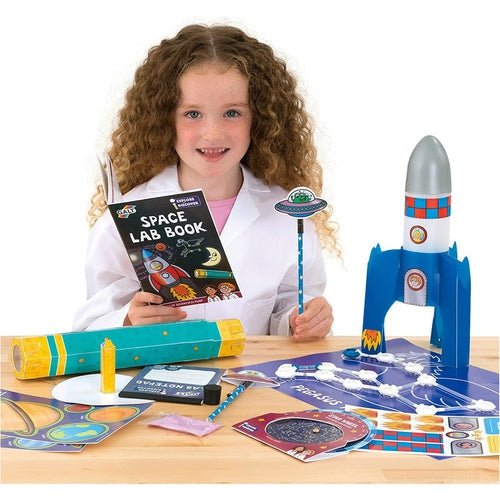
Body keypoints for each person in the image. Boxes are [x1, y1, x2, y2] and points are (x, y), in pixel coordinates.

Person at [73, 24, 341, 341]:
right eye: (192, 114)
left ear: (260, 120)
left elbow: (291, 300)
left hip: (251, 371)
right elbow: (87, 331)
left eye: (232, 113)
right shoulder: (123, 218)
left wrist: (303, 318)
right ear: (163, 120)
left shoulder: (287, 214)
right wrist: (128, 319)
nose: (213, 133)